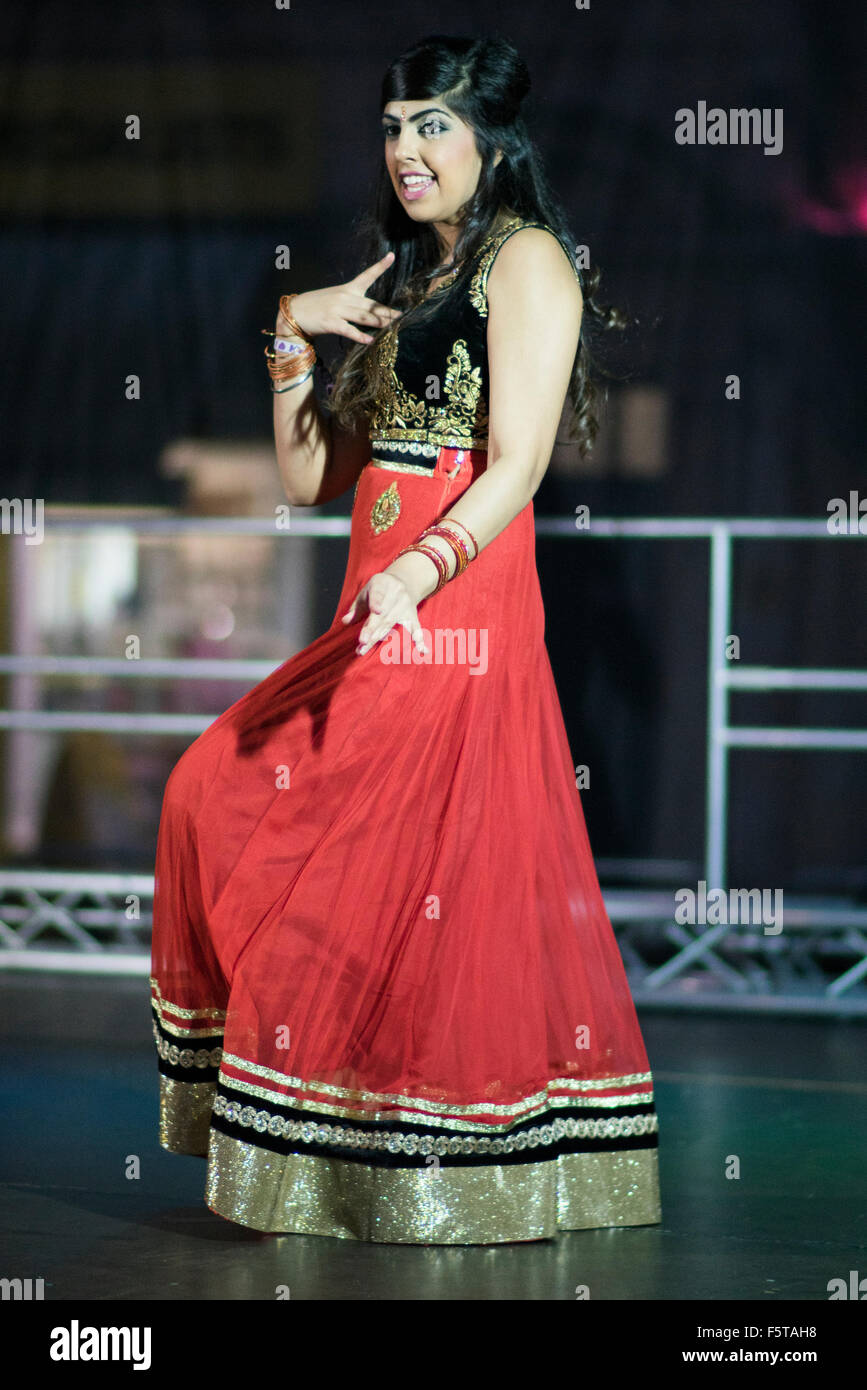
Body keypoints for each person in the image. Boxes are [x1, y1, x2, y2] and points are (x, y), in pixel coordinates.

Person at [150, 33, 662, 1245]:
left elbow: (521, 461)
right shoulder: (403, 276)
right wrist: (292, 327)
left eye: (433, 124)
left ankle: (427, 1157)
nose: (406, 149)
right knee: (211, 797)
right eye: (392, 125)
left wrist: (425, 572)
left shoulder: (526, 260)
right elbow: (306, 474)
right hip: (373, 590)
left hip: (455, 595)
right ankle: (339, 1150)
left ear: (490, 136)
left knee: (399, 873)